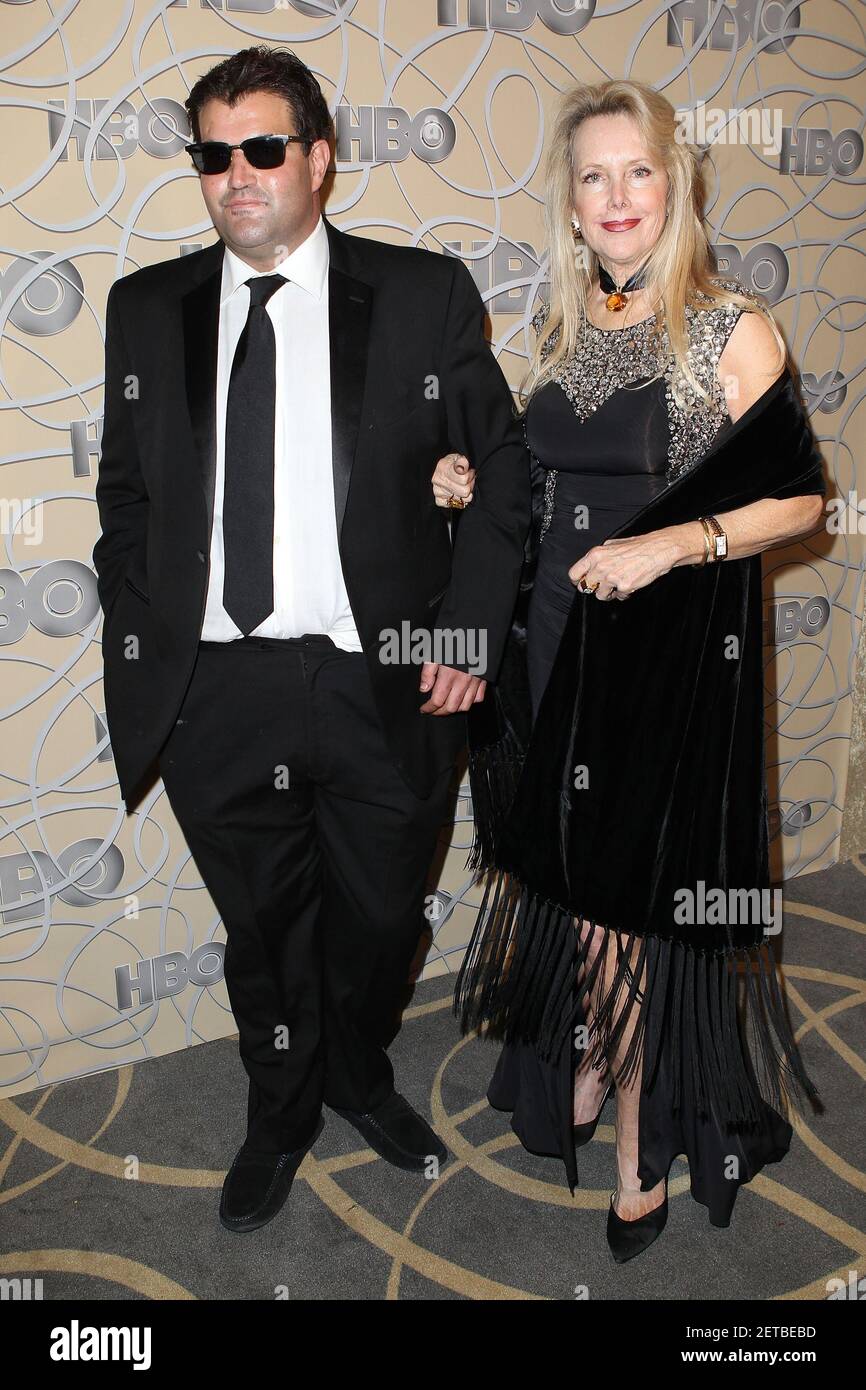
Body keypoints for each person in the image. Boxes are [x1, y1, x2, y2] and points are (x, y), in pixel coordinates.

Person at [93, 45, 530, 1234]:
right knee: (265, 922)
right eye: (214, 154)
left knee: (382, 913)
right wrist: (141, 627)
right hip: (217, 687)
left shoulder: (420, 294)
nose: (237, 176)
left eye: (264, 149)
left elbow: (498, 473)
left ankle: (355, 1067)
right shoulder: (146, 311)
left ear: (318, 159)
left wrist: (468, 632)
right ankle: (282, 1105)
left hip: (379, 674)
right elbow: (126, 499)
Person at [432, 79, 826, 1262]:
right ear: (569, 196)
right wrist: (468, 484)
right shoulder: (558, 326)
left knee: (617, 898)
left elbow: (802, 496)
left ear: (676, 184)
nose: (614, 196)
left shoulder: (727, 326)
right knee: (571, 873)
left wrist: (674, 540)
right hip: (549, 635)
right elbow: (531, 479)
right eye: (591, 174)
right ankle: (595, 1054)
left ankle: (639, 1135)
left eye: (636, 171)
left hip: (656, 656)